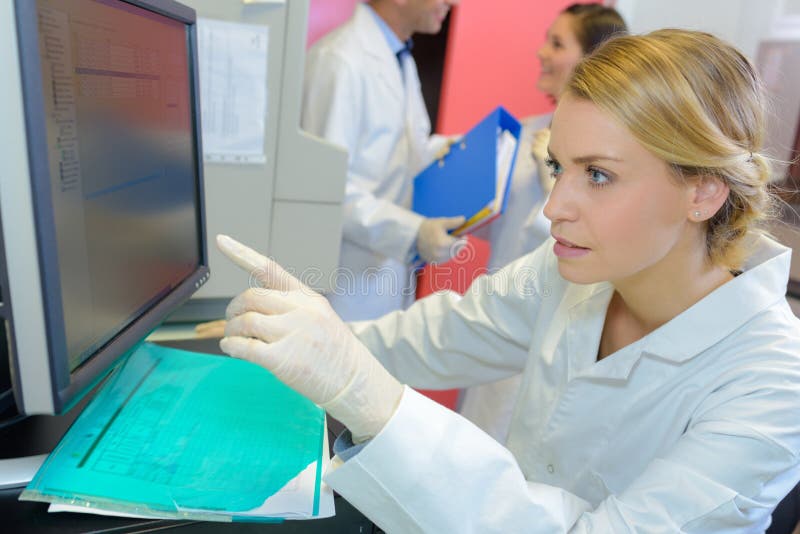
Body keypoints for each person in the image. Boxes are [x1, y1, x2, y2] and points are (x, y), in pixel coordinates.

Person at [216, 29, 800, 531]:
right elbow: (434, 338)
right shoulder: (569, 271)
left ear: (702, 191)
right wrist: (313, 340)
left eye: (598, 174)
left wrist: (369, 398)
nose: (554, 207)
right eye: (558, 166)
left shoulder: (772, 383)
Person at [462, 3, 627, 443]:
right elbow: (497, 220)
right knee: (474, 436)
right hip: (498, 310)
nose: (541, 53)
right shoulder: (528, 131)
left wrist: (552, 175)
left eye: (557, 44)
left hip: (559, 320)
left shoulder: (618, 151)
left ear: (596, 60)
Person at [302, 0, 463, 321]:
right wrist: (412, 232)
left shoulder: (400, 57)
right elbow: (325, 190)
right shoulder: (339, 60)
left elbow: (399, 152)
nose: (453, 3)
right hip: (342, 288)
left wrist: (451, 149)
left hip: (384, 278)